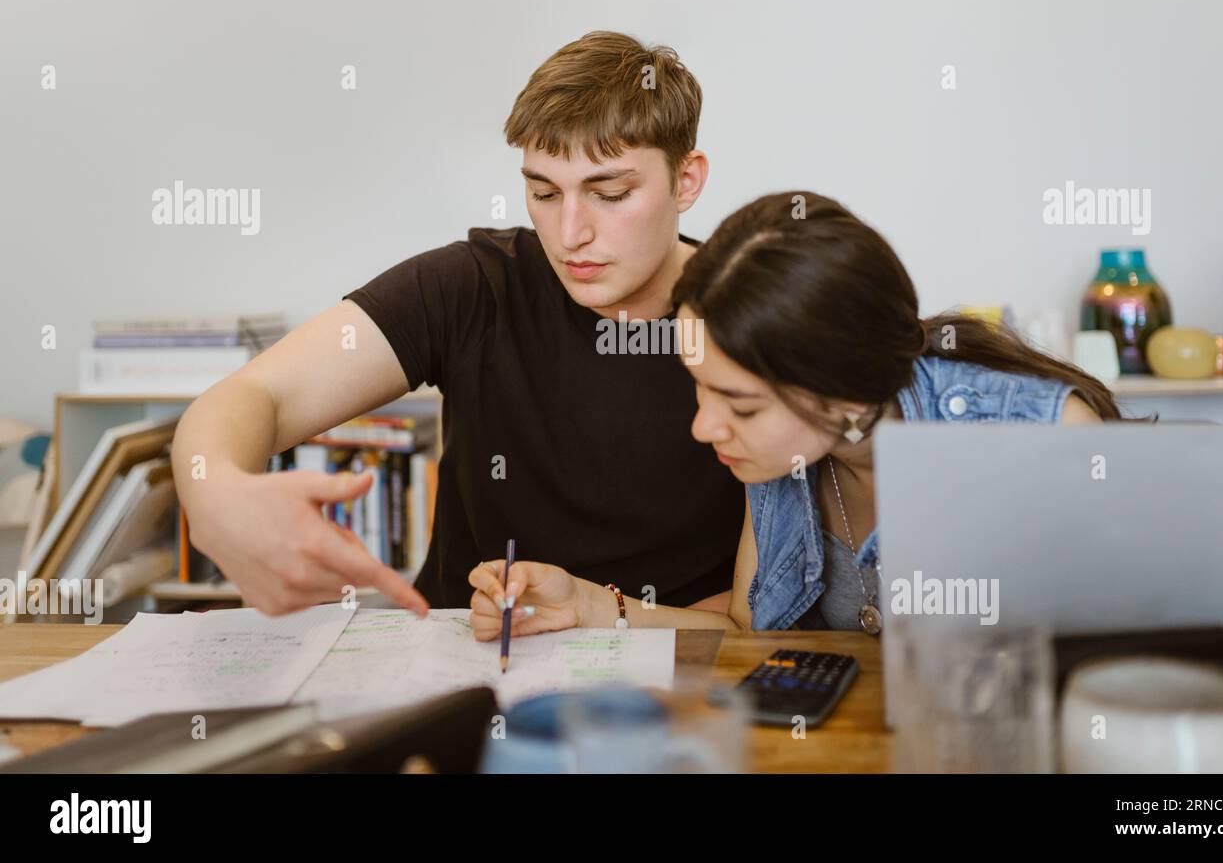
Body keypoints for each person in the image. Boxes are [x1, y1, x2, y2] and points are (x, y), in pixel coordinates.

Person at [170, 31, 745, 616]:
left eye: (611, 193)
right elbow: (257, 393)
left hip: (677, 681)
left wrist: (607, 613)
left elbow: (757, 617)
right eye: (544, 192)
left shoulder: (754, 320)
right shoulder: (472, 286)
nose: (571, 234)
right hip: (462, 664)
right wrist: (220, 497)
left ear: (687, 180)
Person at [466, 191, 1121, 637]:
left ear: (845, 390)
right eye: (700, 386)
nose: (703, 427)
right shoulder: (788, 458)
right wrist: (587, 605)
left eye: (741, 404)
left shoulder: (1042, 437)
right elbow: (746, 632)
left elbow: (1132, 666)